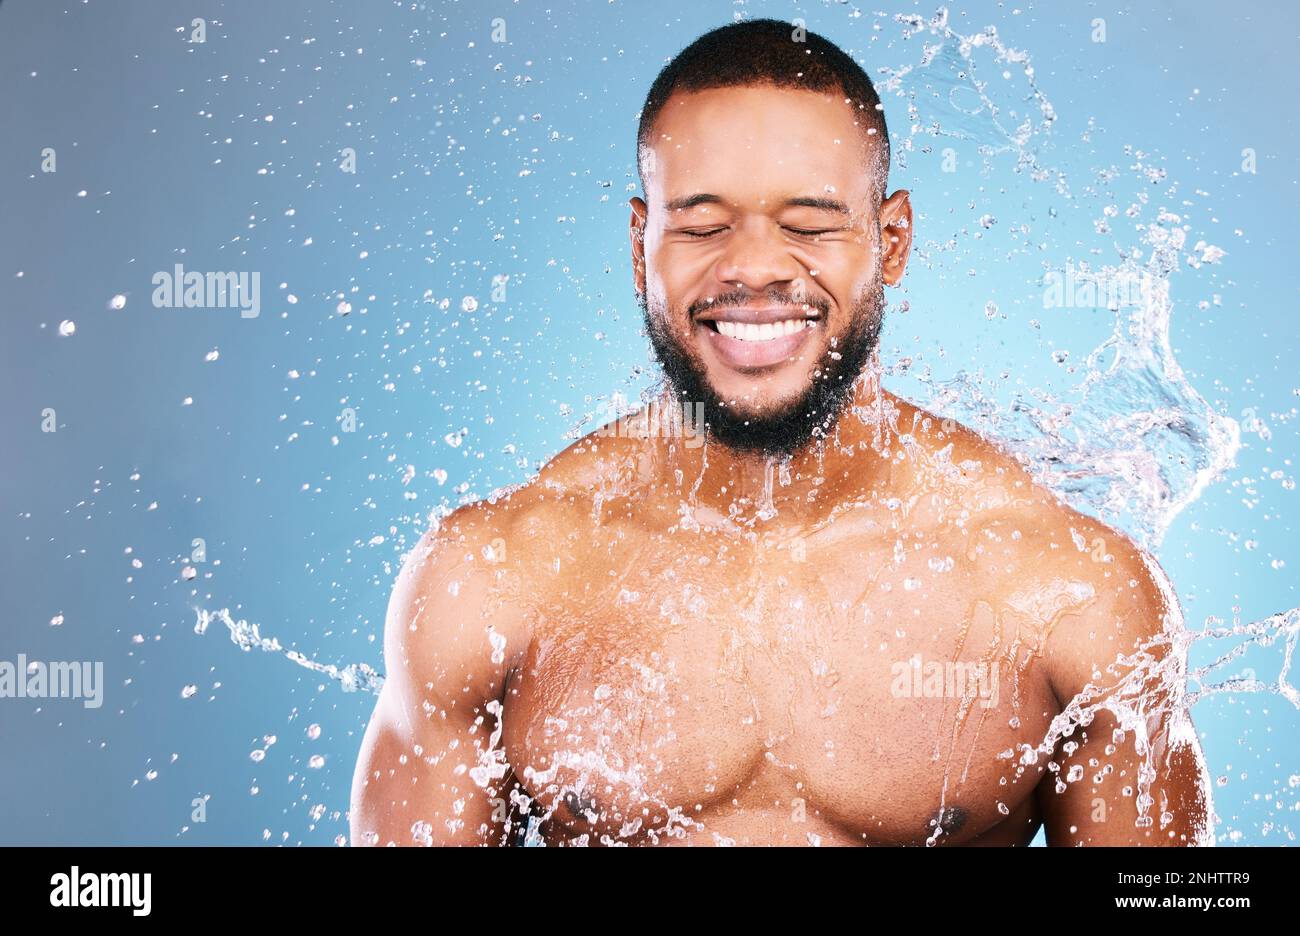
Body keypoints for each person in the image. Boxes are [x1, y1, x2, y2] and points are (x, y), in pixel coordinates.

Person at [350, 18, 1212, 846]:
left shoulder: (1065, 593)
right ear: (640, 241)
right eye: (702, 225)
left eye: (808, 225)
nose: (755, 267)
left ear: (893, 239)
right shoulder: (494, 582)